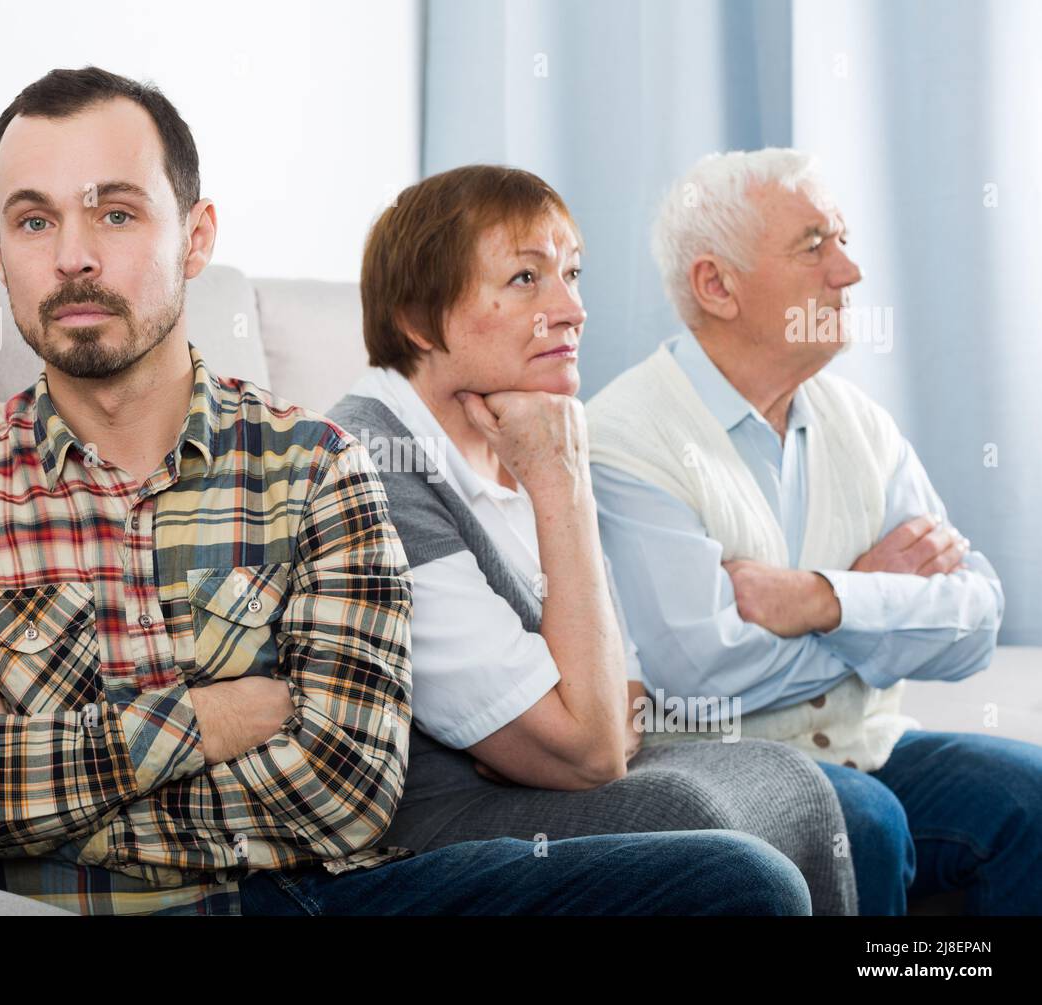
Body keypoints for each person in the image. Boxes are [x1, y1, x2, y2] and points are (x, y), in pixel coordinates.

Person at [0, 67, 810, 917]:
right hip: (110, 915)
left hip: (337, 896)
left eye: (117, 212)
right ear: (0, 246)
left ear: (196, 236)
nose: (74, 255)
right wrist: (201, 723)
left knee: (739, 883)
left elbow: (347, 788)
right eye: (34, 219)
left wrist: (19, 761)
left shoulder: (317, 466)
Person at [328, 164, 856, 914]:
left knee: (812, 788)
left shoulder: (522, 424)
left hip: (544, 778)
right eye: (524, 278)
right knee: (704, 820)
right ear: (419, 319)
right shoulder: (372, 461)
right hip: (419, 831)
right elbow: (591, 749)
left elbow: (620, 703)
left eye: (572, 274)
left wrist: (564, 724)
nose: (571, 310)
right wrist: (561, 487)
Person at [585, 147, 1041, 915]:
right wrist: (883, 603)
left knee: (1027, 797)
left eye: (844, 238)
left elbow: (976, 622)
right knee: (858, 822)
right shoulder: (624, 436)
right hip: (705, 769)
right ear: (716, 285)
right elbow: (694, 672)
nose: (850, 271)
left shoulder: (858, 420)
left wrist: (823, 597)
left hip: (867, 749)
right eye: (815, 245)